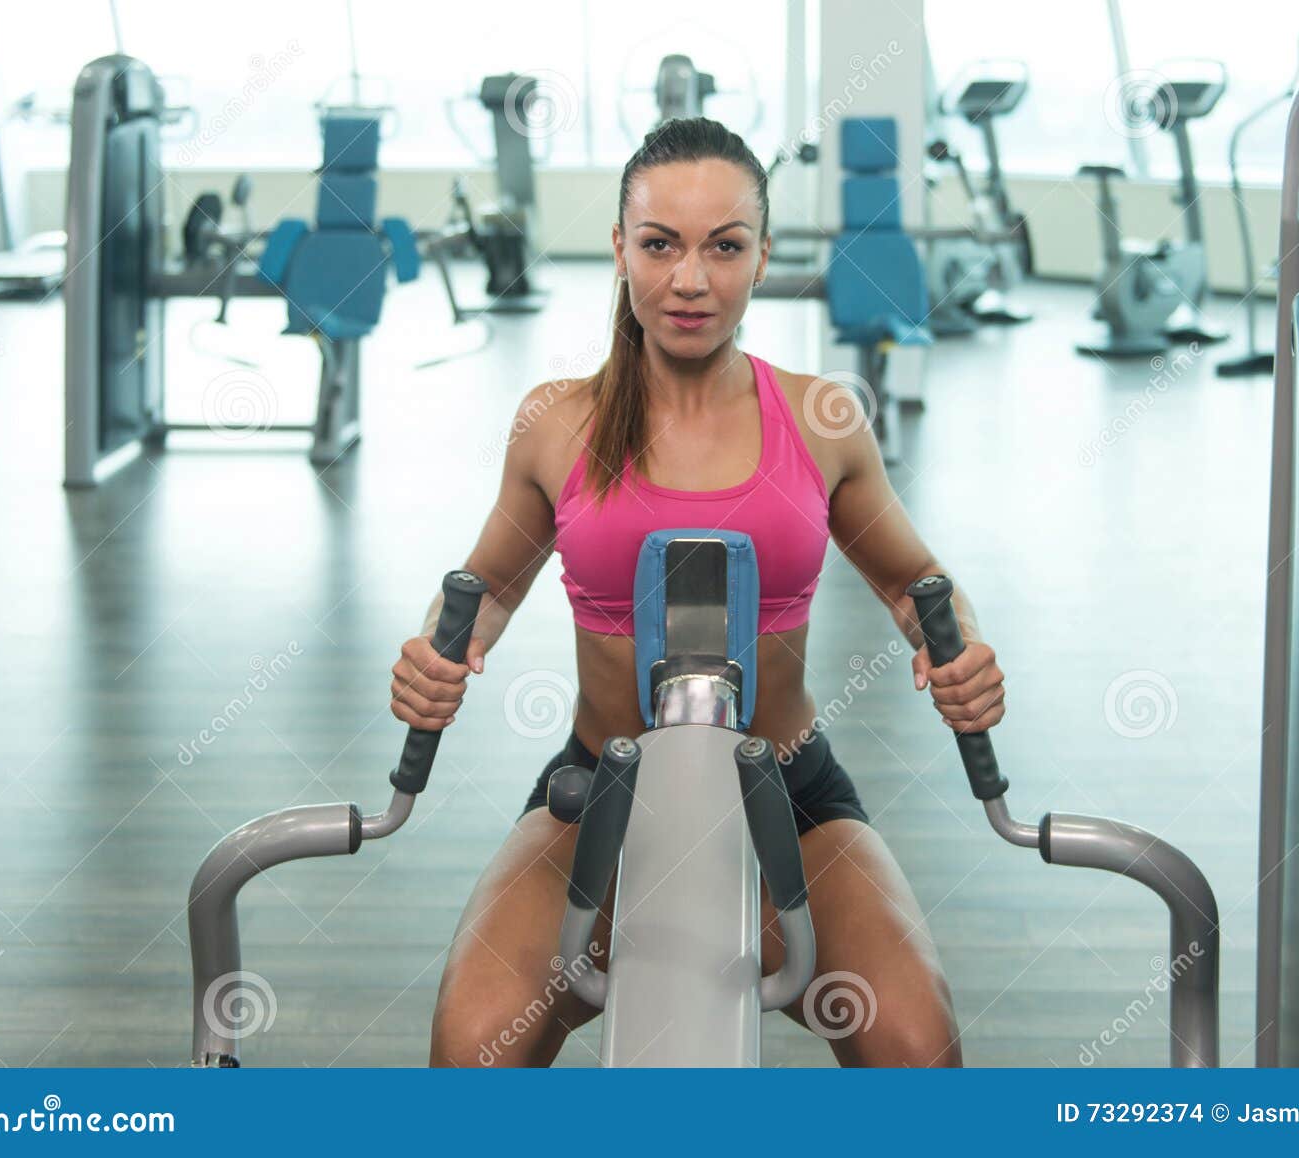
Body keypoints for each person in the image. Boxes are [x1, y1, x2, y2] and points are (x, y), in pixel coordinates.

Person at [392, 118, 1005, 1067]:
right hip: (601, 789)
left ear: (760, 258)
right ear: (620, 251)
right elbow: (488, 592)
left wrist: (959, 646)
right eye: (660, 245)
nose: (690, 280)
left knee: (922, 1057)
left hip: (789, 795)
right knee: (471, 1052)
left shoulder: (821, 415)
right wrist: (434, 654)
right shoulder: (557, 424)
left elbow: (915, 584)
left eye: (724, 247)